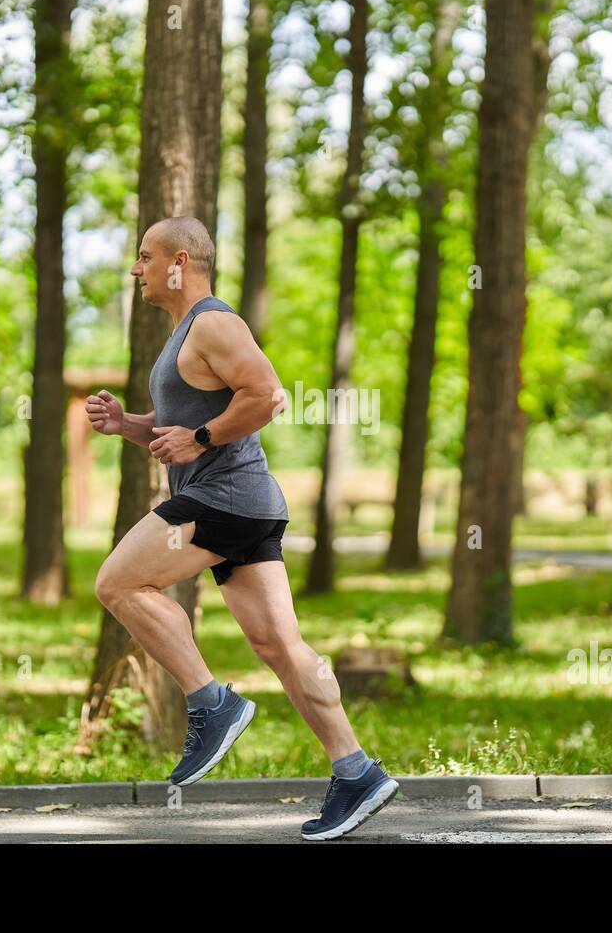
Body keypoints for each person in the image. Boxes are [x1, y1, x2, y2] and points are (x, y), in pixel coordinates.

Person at [84, 216, 398, 840]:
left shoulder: (213, 323)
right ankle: (357, 770)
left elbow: (268, 395)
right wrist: (129, 425)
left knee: (119, 585)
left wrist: (200, 439)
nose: (135, 269)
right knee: (279, 647)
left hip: (222, 500)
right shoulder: (185, 334)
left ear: (179, 262)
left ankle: (212, 703)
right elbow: (184, 424)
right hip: (246, 505)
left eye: (144, 256)